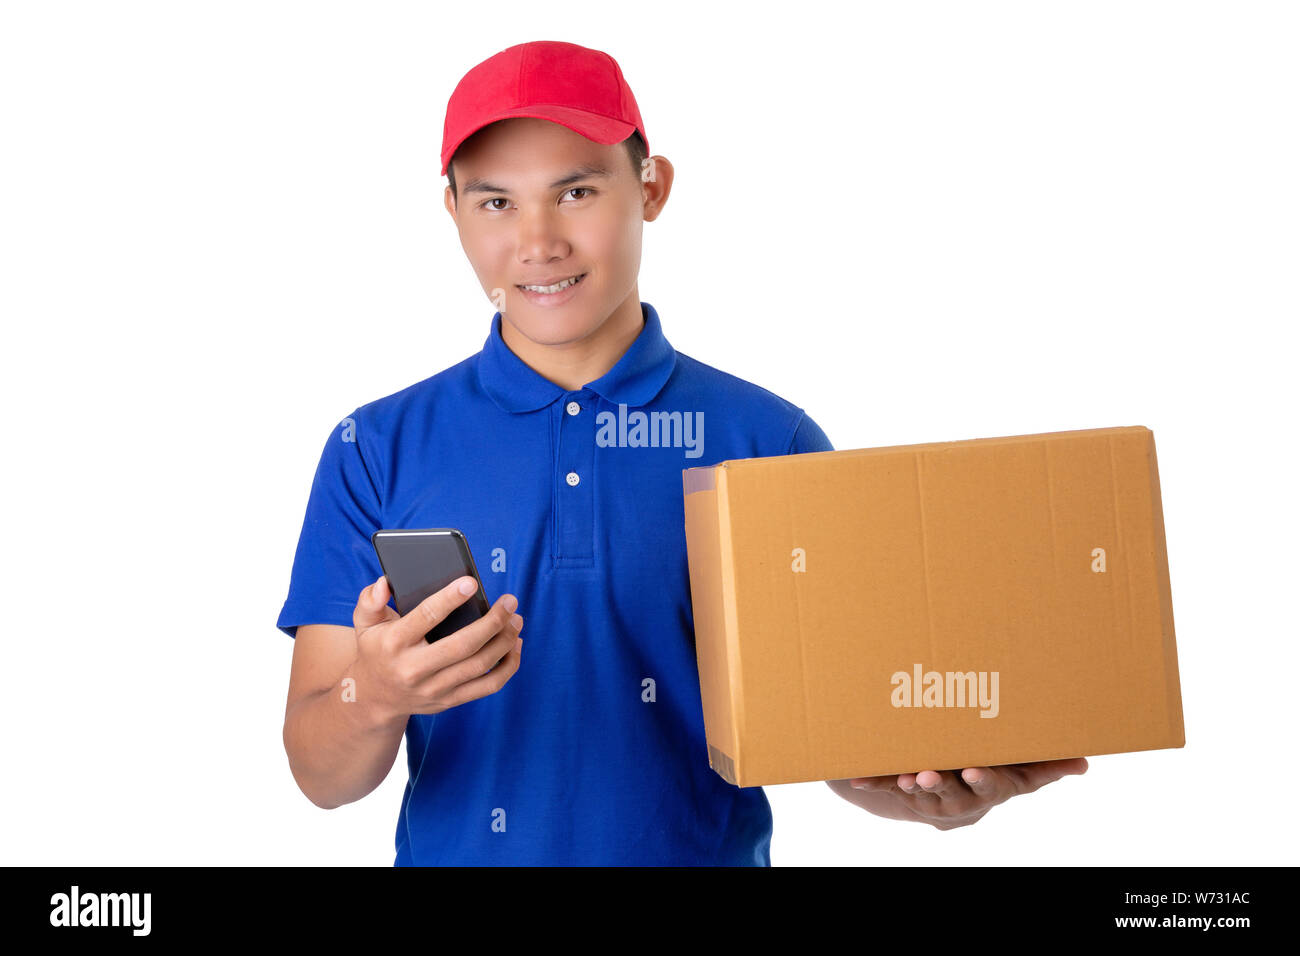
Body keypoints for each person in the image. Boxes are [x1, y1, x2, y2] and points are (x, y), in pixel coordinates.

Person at [276, 40, 1087, 866]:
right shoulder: (374, 448)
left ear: (651, 188)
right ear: (451, 211)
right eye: (495, 203)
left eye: (577, 191)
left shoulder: (768, 443)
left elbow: (838, 737)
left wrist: (930, 794)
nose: (538, 241)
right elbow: (319, 772)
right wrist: (373, 695)